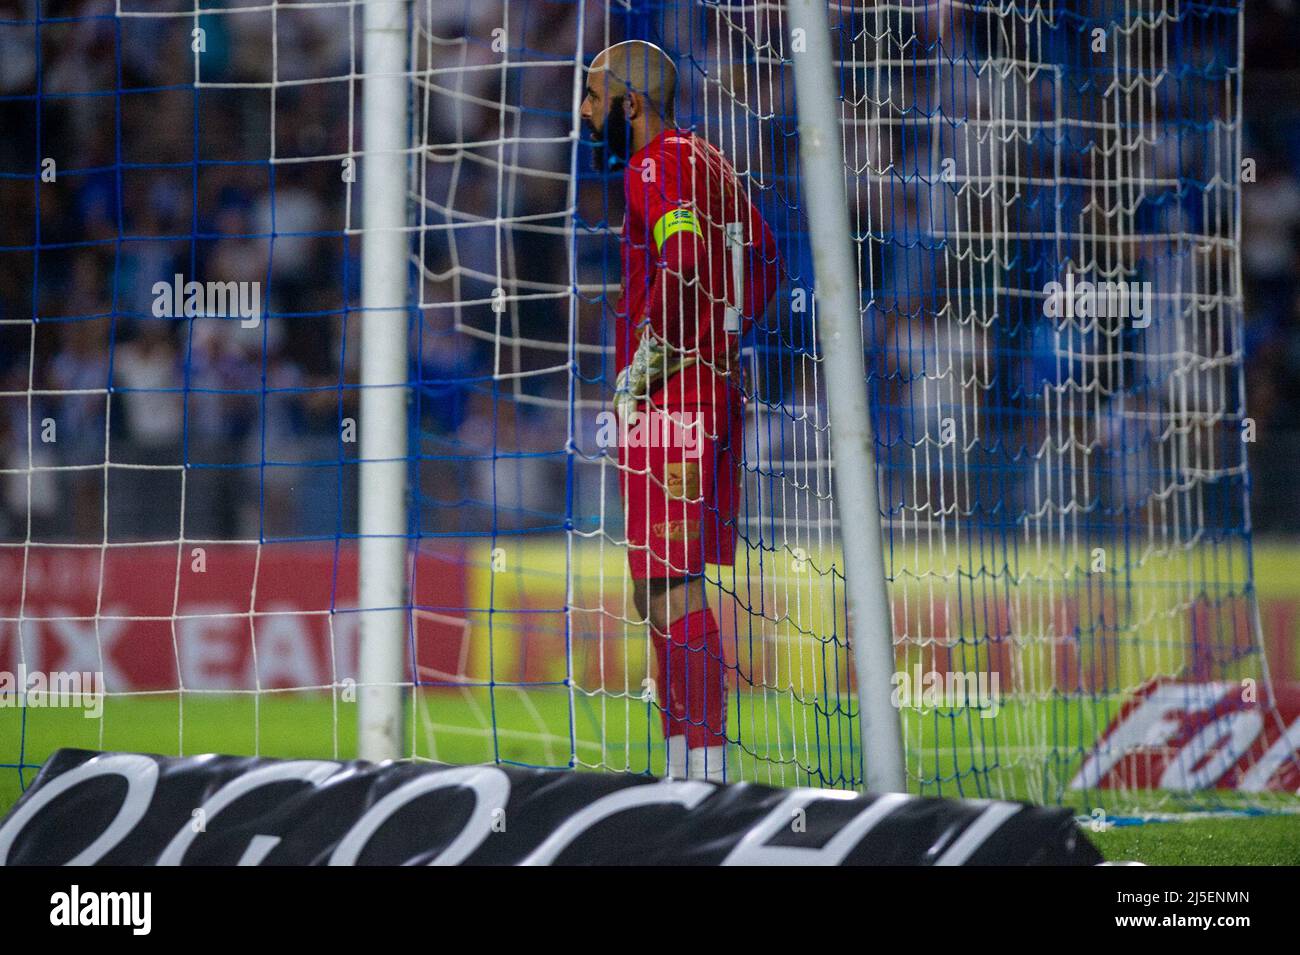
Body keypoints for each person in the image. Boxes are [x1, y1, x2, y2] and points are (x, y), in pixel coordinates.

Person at [580, 39, 779, 781]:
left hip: (677, 393)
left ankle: (703, 771)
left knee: (669, 581)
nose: (586, 111)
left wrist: (662, 351)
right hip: (712, 385)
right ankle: (685, 765)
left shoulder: (653, 163)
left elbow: (686, 256)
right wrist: (724, 341)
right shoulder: (712, 160)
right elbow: (766, 257)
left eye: (595, 96)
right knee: (657, 580)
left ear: (631, 102)